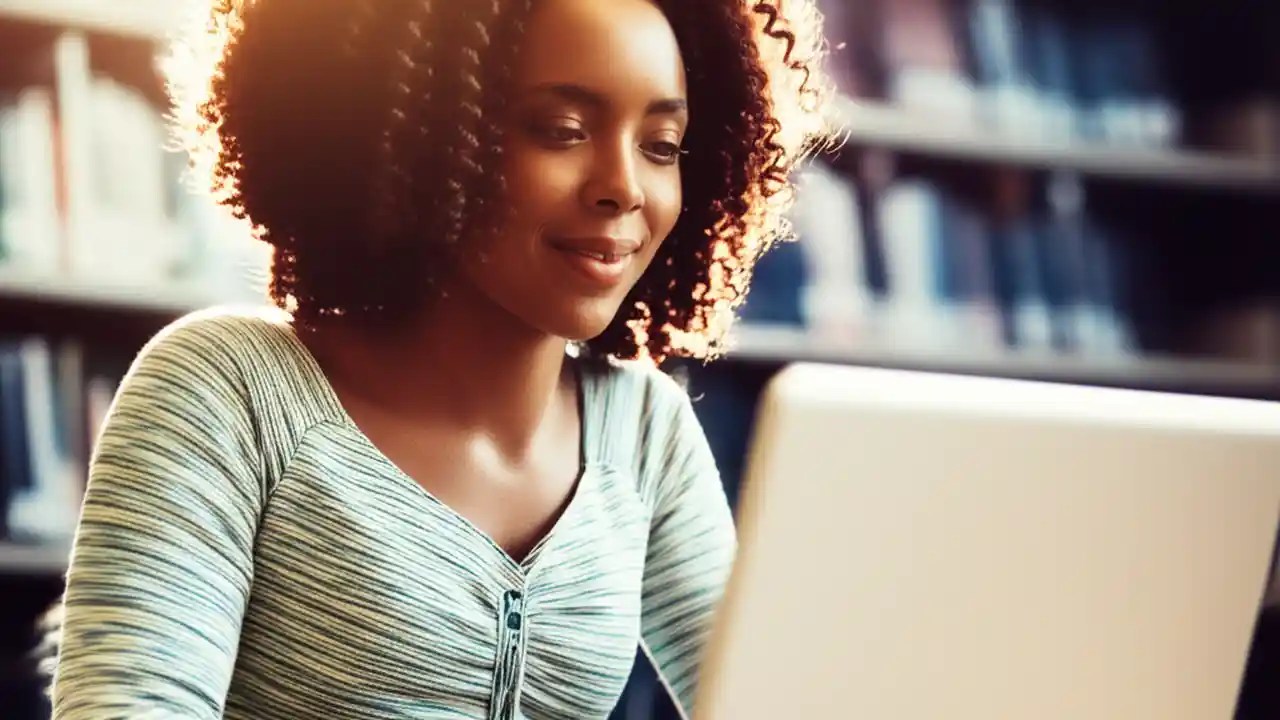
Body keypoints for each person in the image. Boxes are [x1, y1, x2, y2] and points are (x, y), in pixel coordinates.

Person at [49, 0, 829, 717]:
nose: (625, 187)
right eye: (560, 129)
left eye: (661, 145)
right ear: (409, 132)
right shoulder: (228, 392)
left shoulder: (643, 431)